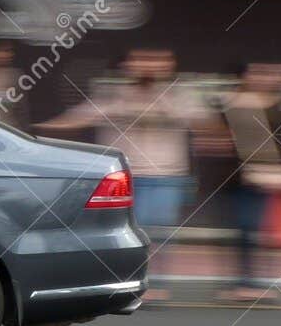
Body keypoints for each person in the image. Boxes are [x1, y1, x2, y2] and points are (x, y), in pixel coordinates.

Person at [37, 49, 224, 298]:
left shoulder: (181, 95)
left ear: (170, 64)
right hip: (123, 175)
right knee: (122, 231)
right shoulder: (113, 94)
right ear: (128, 63)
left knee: (155, 229)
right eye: (142, 59)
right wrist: (38, 133)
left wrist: (170, 110)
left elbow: (207, 125)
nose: (149, 65)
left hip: (166, 176)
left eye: (157, 59)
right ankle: (122, 279)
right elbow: (78, 118)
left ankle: (153, 283)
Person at [218, 60, 281, 303]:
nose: (269, 78)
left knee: (263, 231)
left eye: (276, 73)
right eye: (261, 73)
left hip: (273, 180)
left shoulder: (280, 107)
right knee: (245, 228)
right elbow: (222, 143)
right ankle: (242, 282)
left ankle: (256, 281)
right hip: (237, 179)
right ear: (245, 75)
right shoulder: (229, 103)